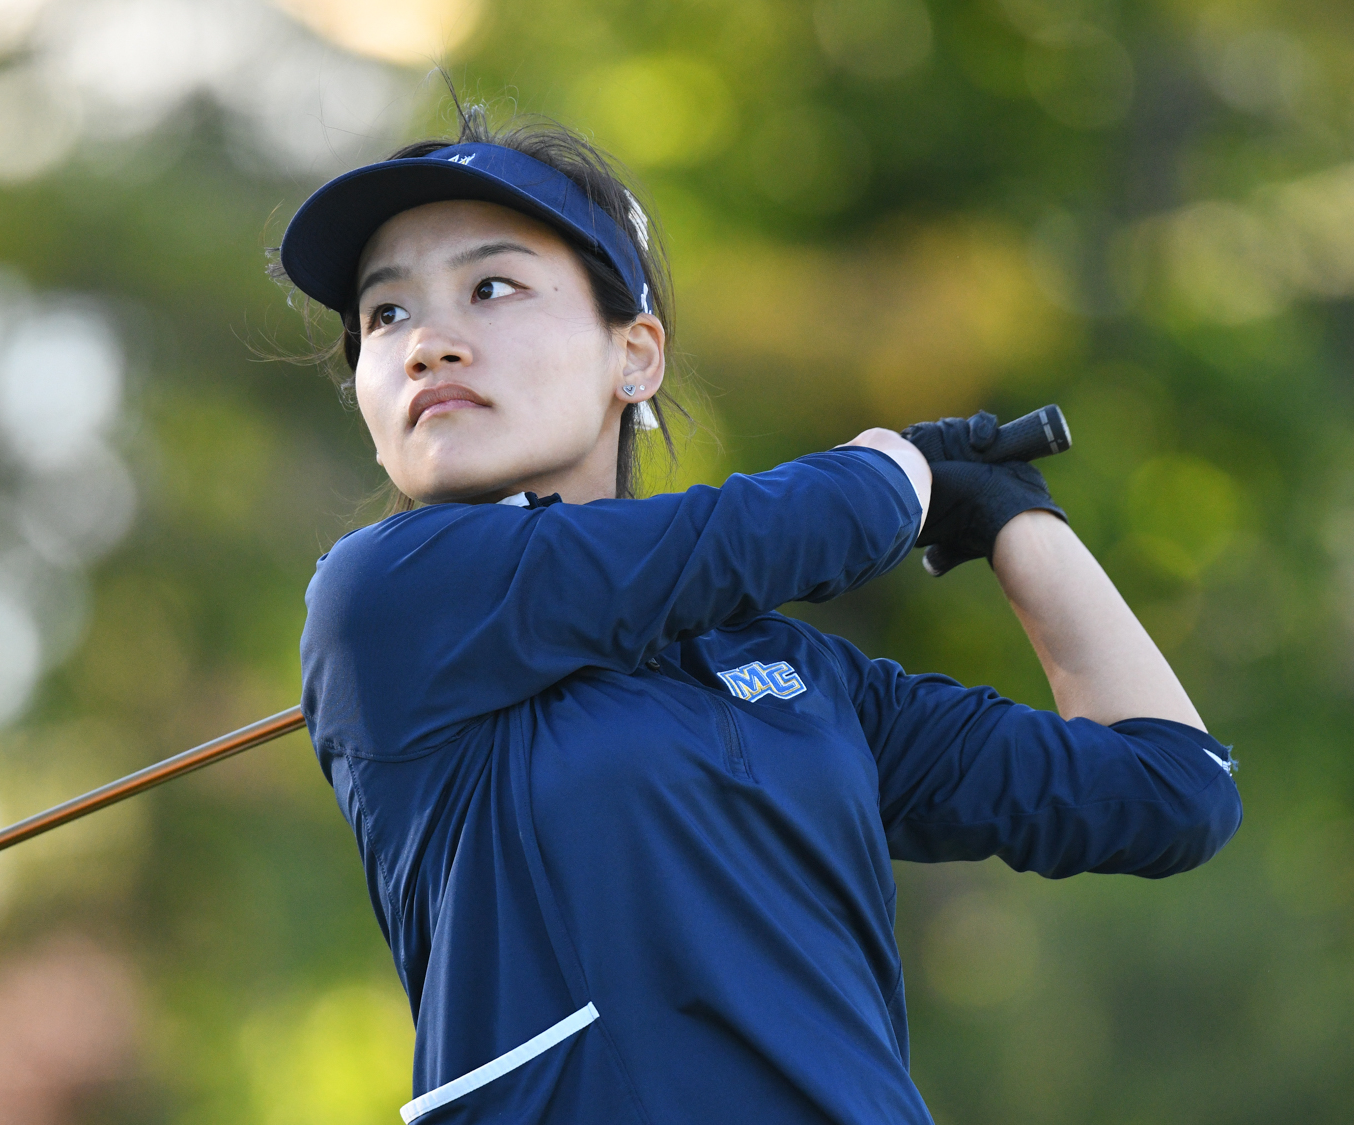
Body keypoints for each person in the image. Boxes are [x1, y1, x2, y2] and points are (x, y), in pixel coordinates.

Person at [276, 105, 1241, 1125]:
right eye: (384, 316)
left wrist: (1010, 515)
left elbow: (1168, 791)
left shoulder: (801, 681)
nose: (426, 343)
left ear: (633, 357)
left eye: (490, 287)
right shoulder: (382, 600)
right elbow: (822, 517)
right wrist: (894, 474)